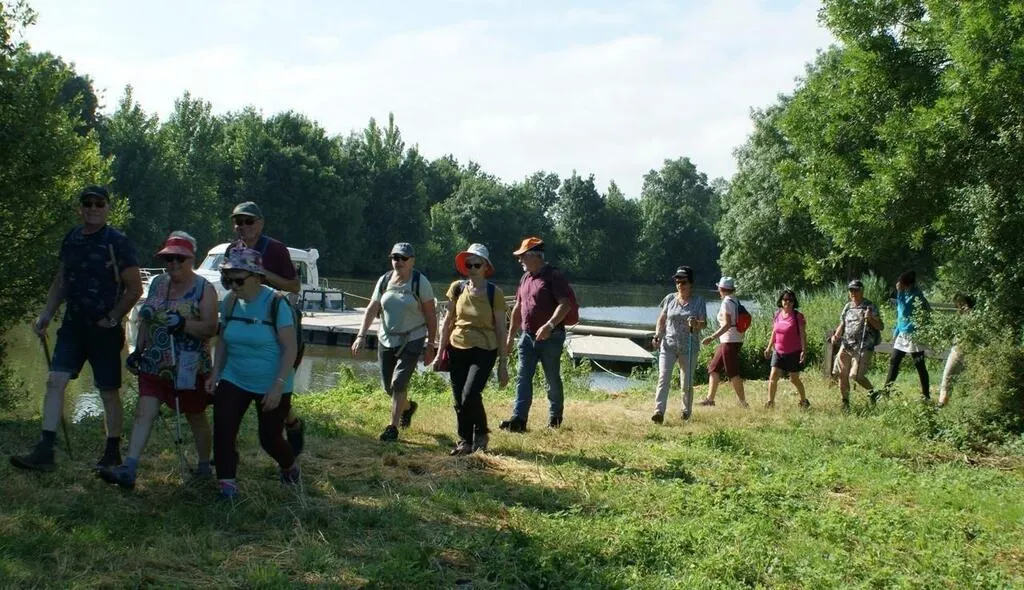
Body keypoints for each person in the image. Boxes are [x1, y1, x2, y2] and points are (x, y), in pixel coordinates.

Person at [11, 186, 143, 472]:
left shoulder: (117, 242)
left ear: (107, 208)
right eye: (88, 203)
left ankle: (112, 453)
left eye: (99, 203)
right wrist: (47, 314)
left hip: (104, 330)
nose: (93, 208)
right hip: (72, 326)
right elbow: (61, 280)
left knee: (108, 391)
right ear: (80, 208)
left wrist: (113, 318)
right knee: (54, 381)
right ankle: (45, 450)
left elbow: (134, 288)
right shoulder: (72, 238)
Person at [98, 232, 218, 489]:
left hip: (188, 367)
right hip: (153, 363)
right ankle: (129, 468)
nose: (173, 263)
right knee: (144, 412)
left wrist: (184, 324)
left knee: (195, 416)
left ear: (191, 259)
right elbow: (146, 318)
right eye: (168, 258)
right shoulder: (157, 284)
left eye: (179, 258)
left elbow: (211, 328)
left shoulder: (204, 289)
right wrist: (138, 350)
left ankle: (204, 466)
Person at [207, 247, 298, 501]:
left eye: (238, 280)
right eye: (228, 280)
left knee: (269, 439)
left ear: (257, 277)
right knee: (223, 430)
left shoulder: (276, 304)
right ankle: (226, 487)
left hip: (272, 381)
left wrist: (278, 386)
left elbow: (290, 348)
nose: (233, 286)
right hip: (234, 376)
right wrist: (215, 373)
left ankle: (290, 466)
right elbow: (223, 341)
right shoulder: (230, 302)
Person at [230, 201, 306, 456]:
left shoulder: (275, 249)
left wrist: (261, 274)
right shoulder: (232, 250)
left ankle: (292, 424)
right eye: (238, 222)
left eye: (248, 221)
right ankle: (229, 448)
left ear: (260, 224)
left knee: (278, 382)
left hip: (278, 321)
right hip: (247, 321)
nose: (243, 226)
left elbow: (294, 286)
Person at [352, 243, 437, 442]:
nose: (398, 261)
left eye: (403, 258)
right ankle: (407, 407)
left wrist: (430, 345)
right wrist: (361, 335)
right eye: (395, 258)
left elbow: (431, 316)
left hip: (413, 338)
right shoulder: (384, 280)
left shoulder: (420, 282)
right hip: (386, 338)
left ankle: (392, 427)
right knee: (388, 387)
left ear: (412, 261)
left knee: (399, 383)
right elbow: (372, 308)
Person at [434, 244, 509, 454]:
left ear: (486, 267)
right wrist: (439, 353)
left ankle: (482, 432)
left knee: (470, 394)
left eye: (477, 264)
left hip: (485, 349)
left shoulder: (495, 293)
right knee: (459, 399)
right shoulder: (457, 288)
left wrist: (503, 364)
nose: (473, 268)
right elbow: (447, 322)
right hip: (457, 347)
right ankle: (465, 441)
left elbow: (501, 329)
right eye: (469, 265)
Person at [500, 237, 572, 432]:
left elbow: (565, 305)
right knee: (523, 376)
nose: (520, 260)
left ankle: (555, 418)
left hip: (552, 337)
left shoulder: (554, 276)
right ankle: (519, 420)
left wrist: (549, 325)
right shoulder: (525, 277)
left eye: (522, 256)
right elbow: (518, 307)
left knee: (551, 378)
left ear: (535, 256)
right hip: (527, 337)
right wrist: (510, 336)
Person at [651, 266, 706, 423]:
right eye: (677, 281)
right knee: (663, 378)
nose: (680, 285)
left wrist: (696, 323)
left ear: (691, 283)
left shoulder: (698, 301)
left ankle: (686, 411)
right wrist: (657, 334)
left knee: (686, 383)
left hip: (689, 347)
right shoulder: (670, 298)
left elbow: (704, 324)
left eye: (684, 282)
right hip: (668, 345)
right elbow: (661, 320)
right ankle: (658, 412)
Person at [831, 279, 883, 410]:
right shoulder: (848, 306)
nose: (853, 292)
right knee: (842, 373)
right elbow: (843, 324)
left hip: (863, 346)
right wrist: (836, 335)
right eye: (851, 290)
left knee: (856, 376)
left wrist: (870, 318)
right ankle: (845, 402)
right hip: (847, 345)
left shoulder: (869, 306)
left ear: (862, 291)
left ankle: (873, 393)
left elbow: (880, 326)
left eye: (856, 290)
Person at [699, 277, 748, 408]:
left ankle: (743, 403)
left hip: (729, 341)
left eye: (719, 288)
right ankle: (710, 399)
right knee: (713, 368)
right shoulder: (735, 300)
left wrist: (712, 337)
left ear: (721, 289)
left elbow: (727, 325)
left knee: (733, 373)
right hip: (733, 340)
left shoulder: (726, 302)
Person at [882, 270, 932, 401]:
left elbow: (904, 309)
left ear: (906, 284)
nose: (898, 284)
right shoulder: (904, 294)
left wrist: (899, 292)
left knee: (919, 365)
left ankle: (926, 395)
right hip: (903, 334)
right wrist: (896, 332)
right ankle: (886, 392)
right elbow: (900, 316)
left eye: (901, 283)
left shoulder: (916, 296)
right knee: (894, 361)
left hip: (915, 336)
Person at [763, 289, 810, 409]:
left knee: (794, 379)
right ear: (781, 301)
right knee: (773, 376)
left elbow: (803, 335)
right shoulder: (777, 314)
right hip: (778, 351)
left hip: (793, 352)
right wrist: (769, 347)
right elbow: (774, 332)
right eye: (785, 299)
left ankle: (804, 401)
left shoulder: (798, 316)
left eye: (790, 300)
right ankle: (770, 402)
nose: (787, 302)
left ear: (794, 302)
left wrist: (804, 350)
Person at [938, 293, 974, 407]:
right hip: (956, 351)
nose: (961, 306)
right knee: (947, 378)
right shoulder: (959, 317)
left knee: (967, 381)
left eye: (963, 303)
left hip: (967, 353)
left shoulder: (974, 316)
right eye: (958, 304)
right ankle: (942, 404)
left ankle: (966, 407)